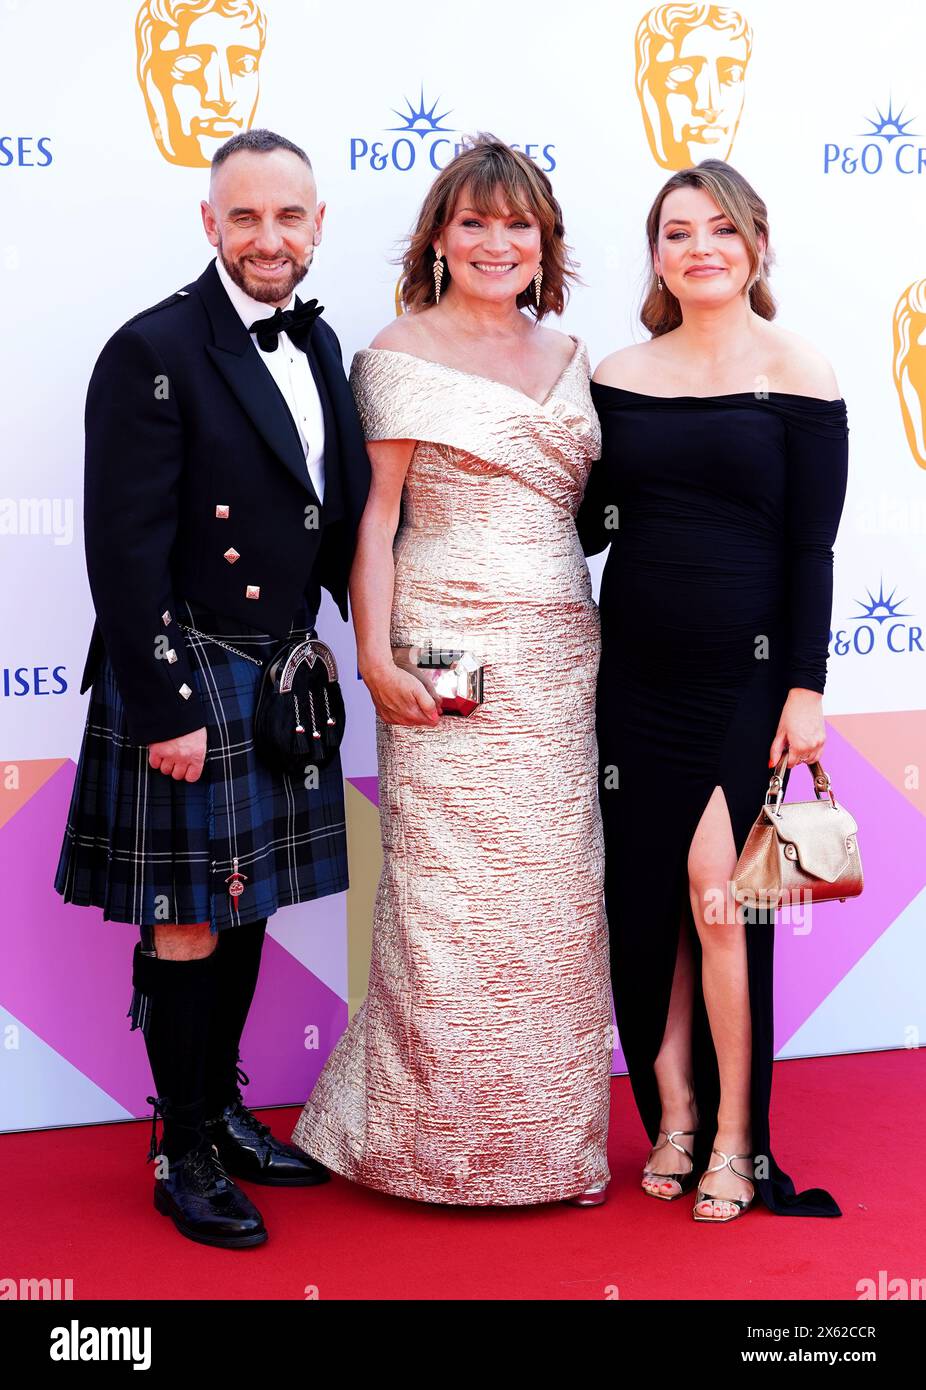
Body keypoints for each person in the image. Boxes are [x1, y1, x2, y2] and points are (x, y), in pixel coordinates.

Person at [54, 128, 370, 1248]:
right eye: (245, 217)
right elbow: (121, 547)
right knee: (185, 919)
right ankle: (178, 1146)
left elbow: (331, 516)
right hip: (188, 672)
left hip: (275, 676)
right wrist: (167, 706)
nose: (268, 238)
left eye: (289, 216)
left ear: (318, 222)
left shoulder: (320, 344)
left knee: (244, 904)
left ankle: (223, 1110)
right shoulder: (150, 348)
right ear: (210, 224)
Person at [291, 136, 613, 1207]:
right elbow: (375, 519)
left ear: (542, 240)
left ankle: (552, 1151)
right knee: (443, 900)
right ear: (437, 235)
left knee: (554, 906)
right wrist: (372, 654)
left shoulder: (570, 355)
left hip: (560, 653)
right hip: (443, 651)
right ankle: (419, 1147)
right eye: (471, 222)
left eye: (514, 223)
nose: (493, 242)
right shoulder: (397, 349)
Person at [577, 158, 847, 1221]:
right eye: (676, 232)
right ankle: (673, 1113)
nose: (699, 248)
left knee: (718, 901)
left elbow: (810, 551)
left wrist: (804, 689)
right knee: (648, 910)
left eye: (719, 231)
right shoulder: (618, 372)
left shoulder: (802, 374)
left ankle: (738, 1137)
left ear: (755, 246)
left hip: (741, 677)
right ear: (655, 255)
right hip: (629, 671)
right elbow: (587, 522)